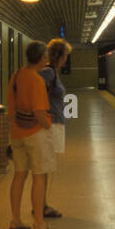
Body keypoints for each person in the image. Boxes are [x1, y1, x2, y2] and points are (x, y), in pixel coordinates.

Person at [7, 40, 58, 229]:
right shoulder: (37, 80)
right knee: (39, 177)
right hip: (34, 134)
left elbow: (11, 106)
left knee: (19, 175)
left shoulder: (16, 75)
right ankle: (39, 223)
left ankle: (15, 220)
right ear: (42, 58)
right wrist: (47, 124)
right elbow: (39, 113)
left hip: (16, 132)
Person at [38, 38, 71, 219]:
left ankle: (42, 204)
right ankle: (40, 206)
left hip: (54, 124)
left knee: (47, 167)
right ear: (59, 56)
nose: (66, 59)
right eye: (65, 55)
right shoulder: (48, 73)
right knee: (44, 167)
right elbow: (35, 91)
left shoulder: (54, 73)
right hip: (49, 125)